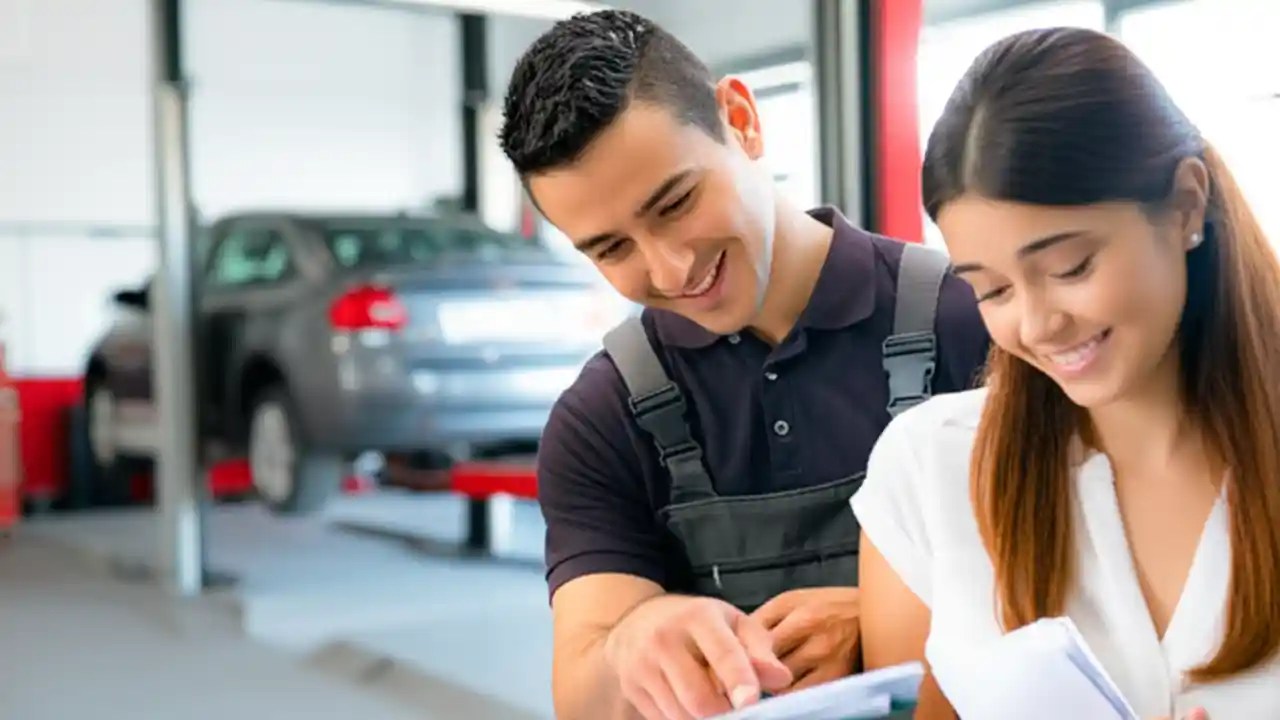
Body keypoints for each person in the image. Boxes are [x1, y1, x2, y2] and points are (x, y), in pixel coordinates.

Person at [497, 9, 989, 720]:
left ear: (742, 119)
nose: (669, 268)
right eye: (611, 250)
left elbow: (1106, 593)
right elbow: (582, 693)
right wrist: (630, 643)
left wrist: (893, 618)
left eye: (675, 203)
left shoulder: (974, 324)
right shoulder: (601, 419)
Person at [851, 25, 1280, 720]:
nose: (1038, 324)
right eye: (991, 290)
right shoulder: (930, 469)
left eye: (1069, 268)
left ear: (1185, 206)